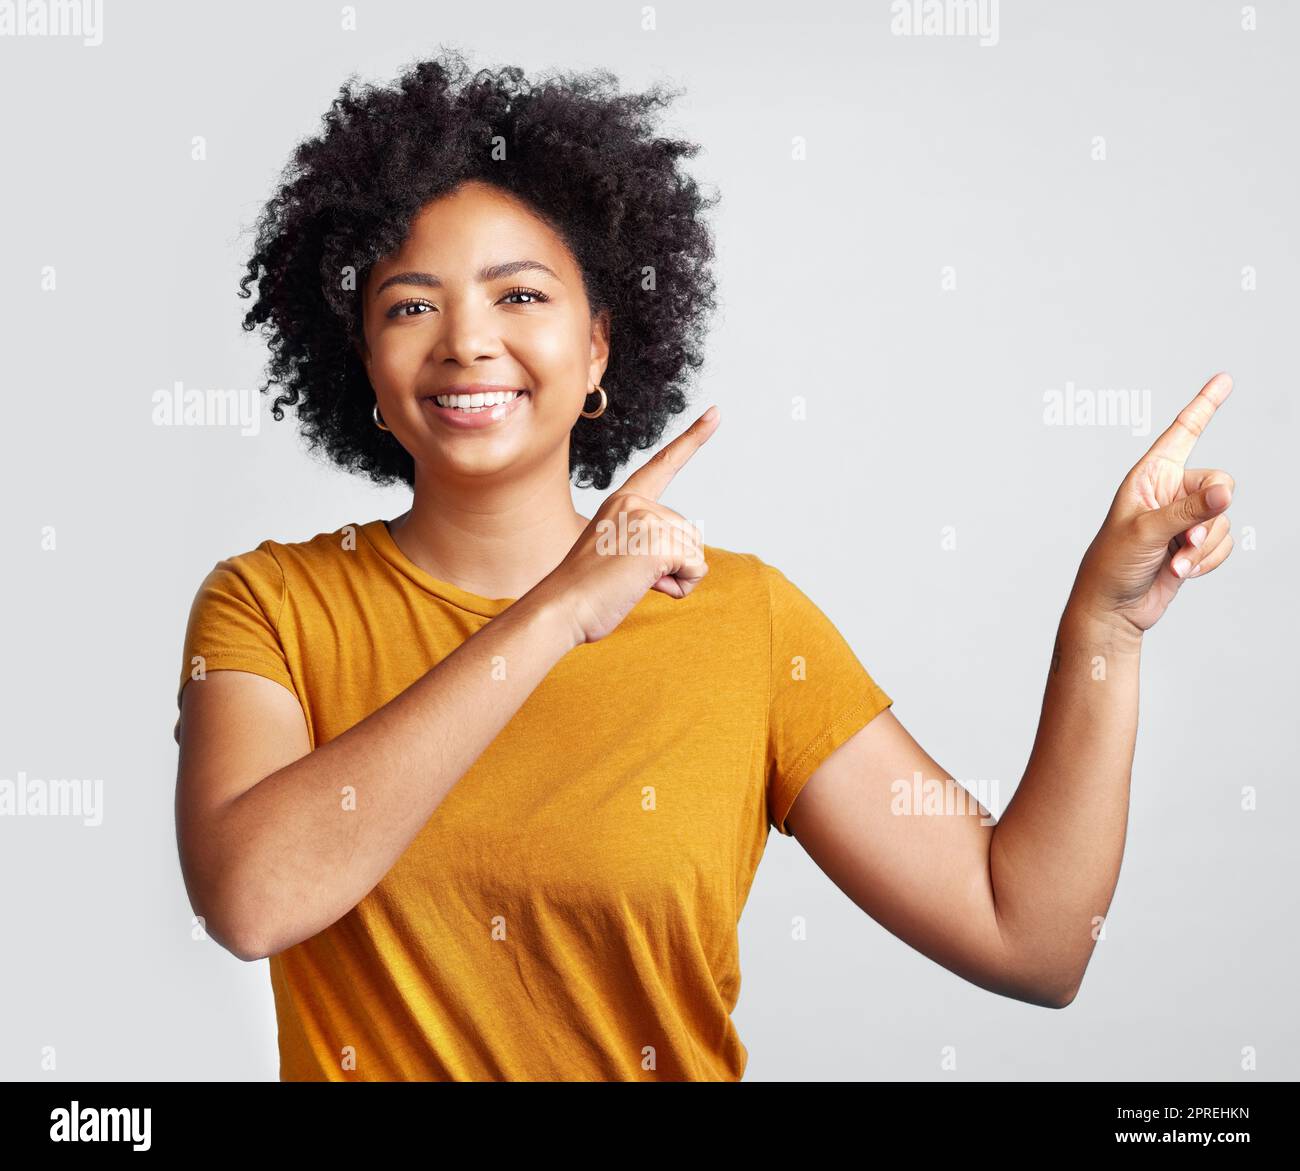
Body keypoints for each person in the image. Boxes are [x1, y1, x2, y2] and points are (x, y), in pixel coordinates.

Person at [173, 49, 1238, 1081]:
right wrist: (556, 613)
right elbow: (251, 900)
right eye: (410, 305)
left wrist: (1103, 631)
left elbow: (1032, 941)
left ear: (598, 345)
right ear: (362, 355)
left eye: (521, 296)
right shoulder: (267, 606)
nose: (465, 341)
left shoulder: (744, 622)